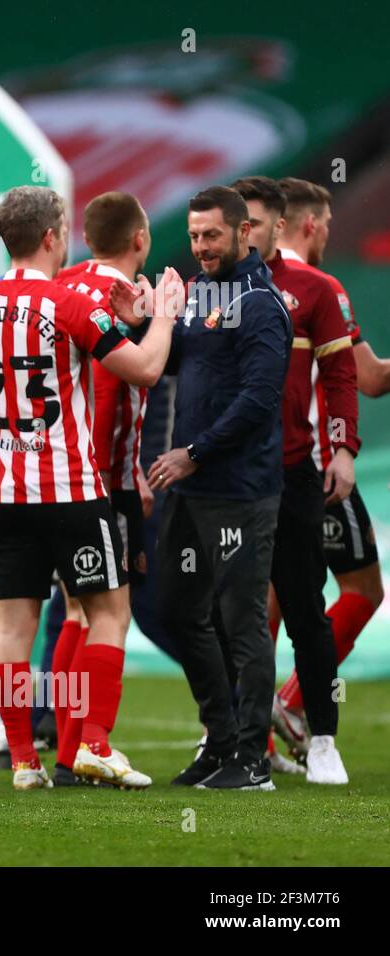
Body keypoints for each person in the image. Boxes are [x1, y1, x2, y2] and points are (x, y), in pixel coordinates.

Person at [0, 185, 177, 791]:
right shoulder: (67, 303)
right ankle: (93, 743)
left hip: (4, 495)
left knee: (14, 629)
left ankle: (23, 760)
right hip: (70, 489)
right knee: (109, 612)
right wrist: (164, 316)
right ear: (52, 237)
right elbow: (145, 369)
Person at [121, 185, 291, 791]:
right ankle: (221, 743)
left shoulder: (262, 303)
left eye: (211, 236)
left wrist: (194, 453)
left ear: (245, 233)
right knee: (176, 610)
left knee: (241, 620)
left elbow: (259, 398)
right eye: (194, 236)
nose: (201, 247)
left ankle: (253, 760)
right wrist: (145, 317)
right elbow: (176, 365)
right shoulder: (200, 296)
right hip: (190, 490)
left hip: (239, 489)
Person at [228, 175, 354, 785]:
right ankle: (231, 739)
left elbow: (342, 378)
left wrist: (344, 450)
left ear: (279, 227)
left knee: (305, 608)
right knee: (229, 612)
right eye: (235, 222)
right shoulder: (207, 291)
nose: (241, 233)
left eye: (250, 222)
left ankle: (324, 740)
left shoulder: (315, 289)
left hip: (293, 475)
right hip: (223, 481)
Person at [272, 177, 383, 754]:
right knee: (361, 590)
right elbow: (368, 378)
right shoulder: (321, 288)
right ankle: (288, 703)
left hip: (254, 469)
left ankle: (246, 735)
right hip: (317, 469)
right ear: (310, 224)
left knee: (263, 594)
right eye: (329, 224)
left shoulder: (239, 283)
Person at [53, 190, 154, 785]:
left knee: (74, 610)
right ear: (140, 240)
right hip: (99, 480)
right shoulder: (123, 300)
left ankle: (63, 753)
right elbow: (112, 390)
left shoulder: (60, 282)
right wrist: (120, 475)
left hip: (43, 476)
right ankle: (87, 745)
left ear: (86, 238)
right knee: (106, 610)